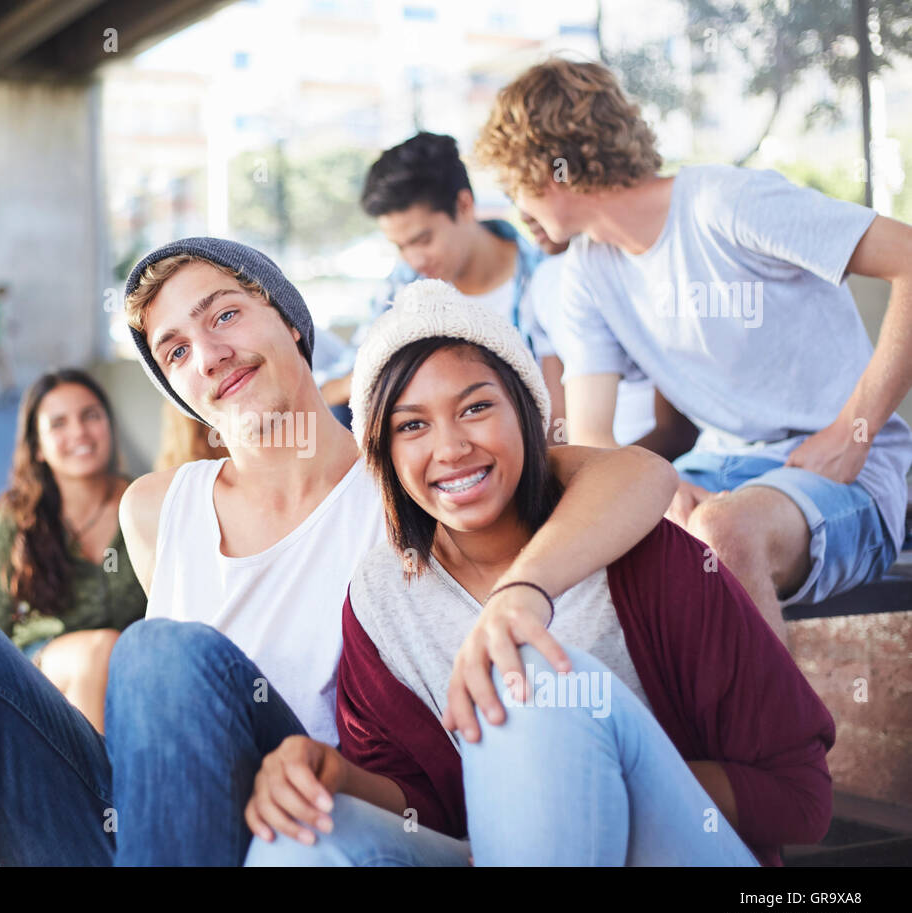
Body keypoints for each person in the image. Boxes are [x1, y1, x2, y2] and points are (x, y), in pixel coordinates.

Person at [0, 237, 678, 866]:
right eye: (176, 349)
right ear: (176, 389)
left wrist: (523, 591)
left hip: (303, 823)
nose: (209, 353)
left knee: (160, 652)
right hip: (142, 832)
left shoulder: (407, 478)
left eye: (225, 312)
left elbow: (637, 476)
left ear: (292, 325)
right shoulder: (155, 509)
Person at [242, 280, 835, 867]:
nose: (450, 449)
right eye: (412, 426)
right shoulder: (380, 598)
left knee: (529, 679)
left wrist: (589, 789)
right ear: (384, 454)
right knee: (305, 838)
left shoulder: (648, 555)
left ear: (526, 414)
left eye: (476, 407)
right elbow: (431, 808)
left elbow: (800, 796)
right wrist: (336, 776)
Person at [475, 57, 912, 639]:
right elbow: (593, 442)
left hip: (851, 471)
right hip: (720, 467)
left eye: (513, 184)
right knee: (566, 544)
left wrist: (849, 433)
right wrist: (661, 492)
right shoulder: (584, 274)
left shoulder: (725, 203)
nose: (515, 208)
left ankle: (784, 733)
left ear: (553, 168)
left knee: (724, 532)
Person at [0, 369, 146, 732]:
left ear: (110, 426)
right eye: (58, 423)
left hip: (133, 664)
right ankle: (93, 788)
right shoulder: (16, 520)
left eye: (90, 416)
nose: (79, 432)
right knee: (99, 650)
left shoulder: (147, 501)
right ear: (37, 446)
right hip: (42, 664)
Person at [319, 132, 544, 411]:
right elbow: (332, 387)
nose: (414, 259)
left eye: (422, 240)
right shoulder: (403, 283)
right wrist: (377, 371)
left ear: (464, 206)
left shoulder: (543, 277)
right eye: (400, 246)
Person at [519, 211, 698, 459]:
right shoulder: (543, 281)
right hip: (599, 463)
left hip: (659, 464)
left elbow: (676, 432)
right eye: (511, 197)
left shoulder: (642, 264)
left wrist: (607, 476)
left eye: (533, 188)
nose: (524, 214)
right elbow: (559, 421)